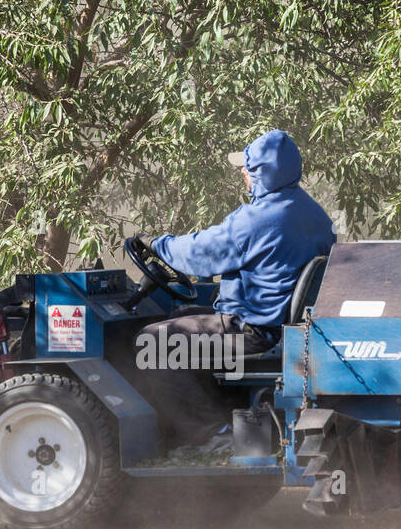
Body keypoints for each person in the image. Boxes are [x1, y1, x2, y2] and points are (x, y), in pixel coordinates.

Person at [137, 129, 336, 448]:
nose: (242, 172)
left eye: (246, 167)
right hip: (284, 328)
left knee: (152, 342)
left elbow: (199, 254)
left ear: (260, 172)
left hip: (254, 332)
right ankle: (221, 416)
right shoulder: (312, 213)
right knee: (186, 315)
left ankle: (212, 436)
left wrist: (158, 244)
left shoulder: (258, 219)